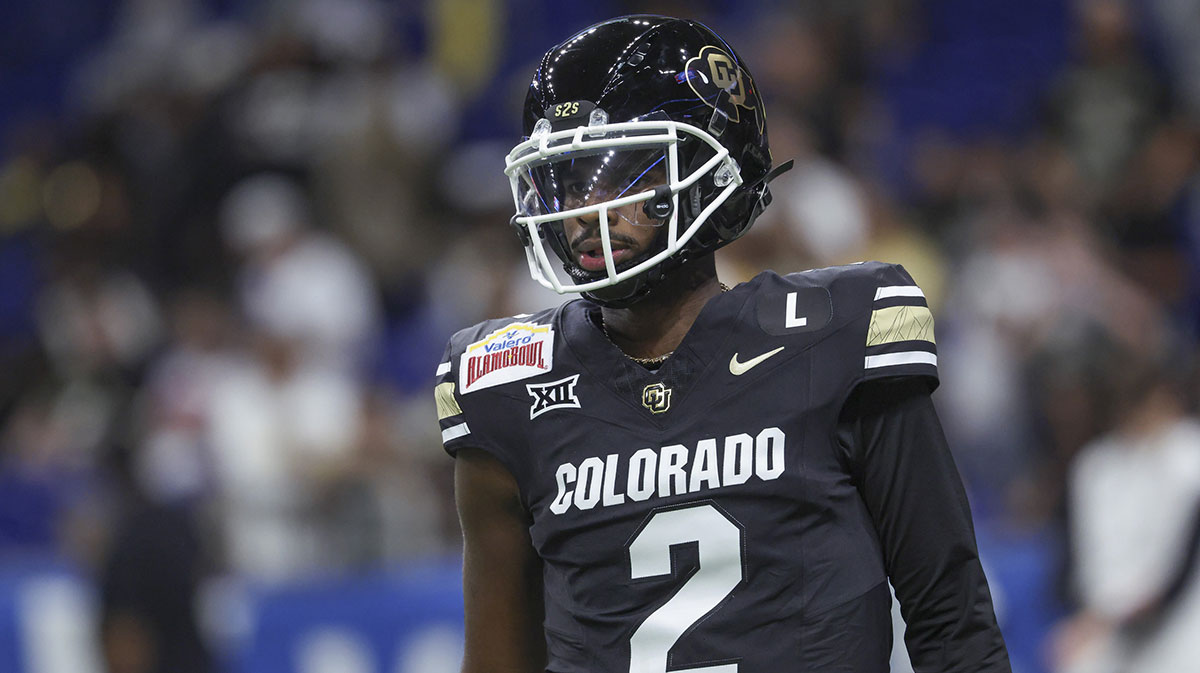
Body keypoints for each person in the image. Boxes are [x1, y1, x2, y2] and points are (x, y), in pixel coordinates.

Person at [435, 15, 1010, 672]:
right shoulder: (507, 387)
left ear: (716, 171)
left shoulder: (835, 339)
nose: (590, 207)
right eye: (571, 177)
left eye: (625, 170)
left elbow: (950, 619)